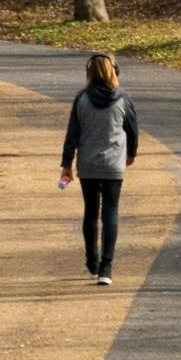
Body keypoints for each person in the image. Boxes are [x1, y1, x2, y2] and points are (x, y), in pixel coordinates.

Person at [60, 50, 140, 281]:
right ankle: (106, 267)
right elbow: (132, 130)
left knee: (91, 212)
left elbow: (72, 134)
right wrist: (131, 154)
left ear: (89, 73)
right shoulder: (123, 98)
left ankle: (91, 259)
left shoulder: (81, 99)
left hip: (88, 164)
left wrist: (67, 164)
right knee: (111, 211)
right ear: (113, 71)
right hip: (114, 164)